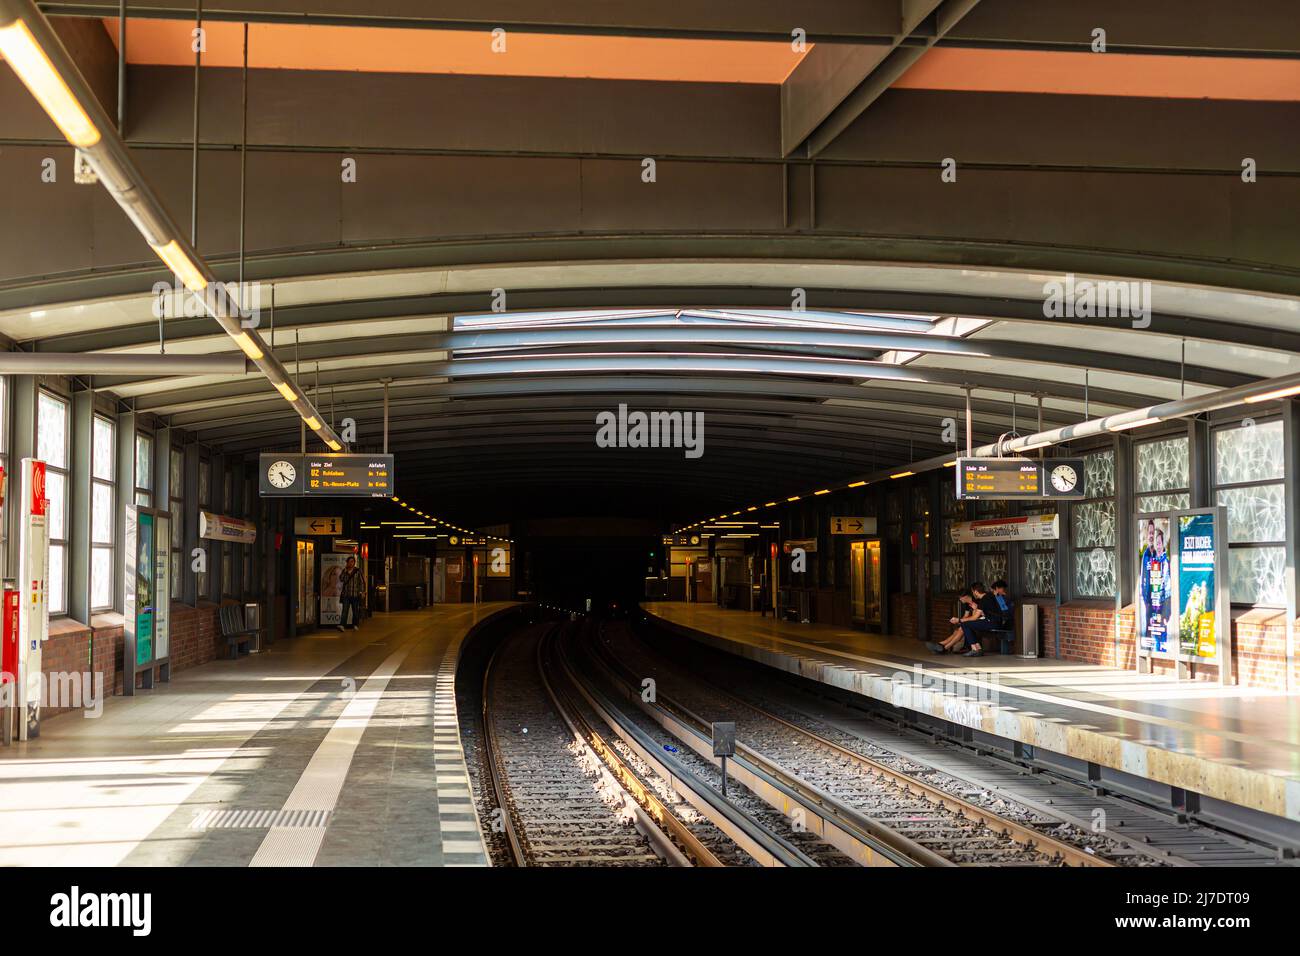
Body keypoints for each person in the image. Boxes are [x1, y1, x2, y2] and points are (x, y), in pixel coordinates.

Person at [927, 590, 980, 654]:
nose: (960, 599)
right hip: (969, 622)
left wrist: (961, 621)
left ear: (966, 596)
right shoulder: (967, 604)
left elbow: (975, 617)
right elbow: (965, 616)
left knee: (962, 629)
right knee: (958, 630)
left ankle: (943, 647)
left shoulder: (976, 602)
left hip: (979, 622)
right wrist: (958, 621)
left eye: (961, 597)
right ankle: (941, 645)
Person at [338, 556, 364, 631]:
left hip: (355, 595)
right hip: (346, 595)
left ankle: (355, 624)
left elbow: (362, 582)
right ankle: (342, 625)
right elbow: (341, 579)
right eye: (349, 562)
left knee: (355, 611)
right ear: (347, 562)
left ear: (354, 563)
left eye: (352, 561)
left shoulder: (358, 571)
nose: (351, 563)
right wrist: (345, 570)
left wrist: (362, 592)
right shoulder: (344, 571)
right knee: (344, 611)